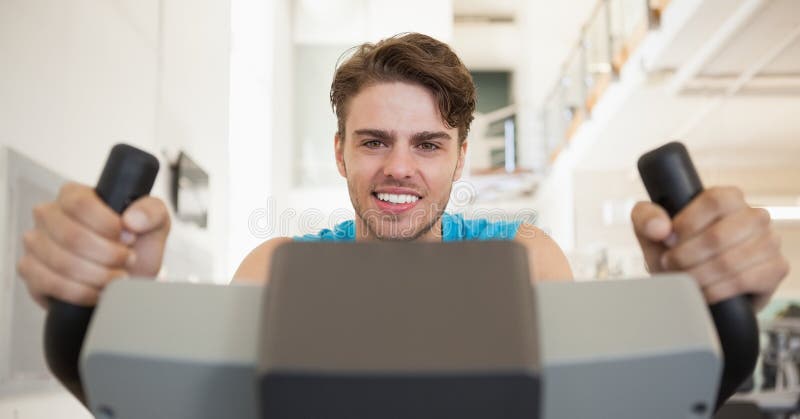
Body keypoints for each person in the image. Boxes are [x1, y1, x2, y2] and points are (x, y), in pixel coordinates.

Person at [17, 33, 789, 313]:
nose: (397, 167)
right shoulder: (274, 270)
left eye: (427, 145)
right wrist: (110, 313)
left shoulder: (526, 261)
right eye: (374, 140)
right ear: (340, 152)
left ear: (458, 159)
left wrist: (698, 315)